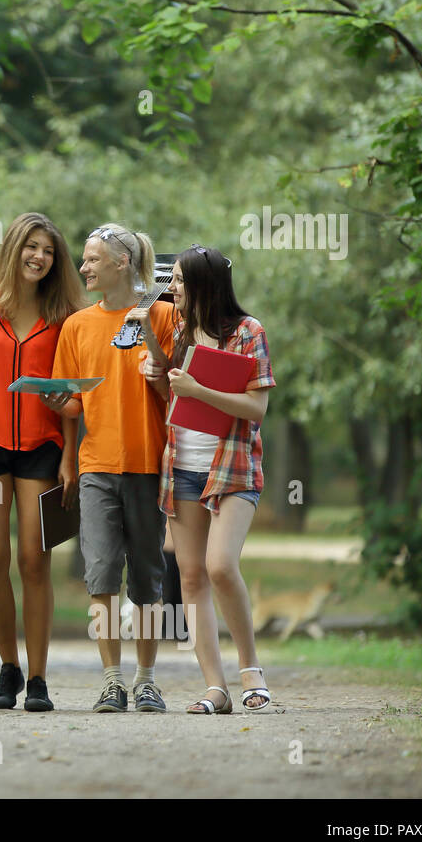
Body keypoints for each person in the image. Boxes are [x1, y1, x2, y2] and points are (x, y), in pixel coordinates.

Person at [0, 212, 87, 710]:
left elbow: (72, 393)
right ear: (12, 248)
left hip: (42, 446)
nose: (39, 257)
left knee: (34, 559)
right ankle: (8, 666)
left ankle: (39, 677)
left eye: (48, 251)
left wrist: (70, 455)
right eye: (31, 246)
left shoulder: (65, 313)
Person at [140, 244, 275, 713]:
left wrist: (199, 388)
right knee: (191, 575)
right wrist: (159, 377)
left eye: (177, 280)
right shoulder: (176, 329)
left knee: (220, 566)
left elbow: (256, 408)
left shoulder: (246, 332)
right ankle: (215, 689)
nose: (170, 288)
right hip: (182, 468)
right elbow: (175, 401)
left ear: (203, 285)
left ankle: (251, 671)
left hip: (234, 467)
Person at [47, 222, 175, 713]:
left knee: (146, 578)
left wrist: (159, 366)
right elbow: (74, 404)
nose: (83, 268)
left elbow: (173, 389)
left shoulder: (161, 316)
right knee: (100, 576)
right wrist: (61, 405)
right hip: (97, 466)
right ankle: (111, 681)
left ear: (122, 263)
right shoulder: (77, 326)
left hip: (148, 464)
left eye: (92, 259)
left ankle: (146, 680)